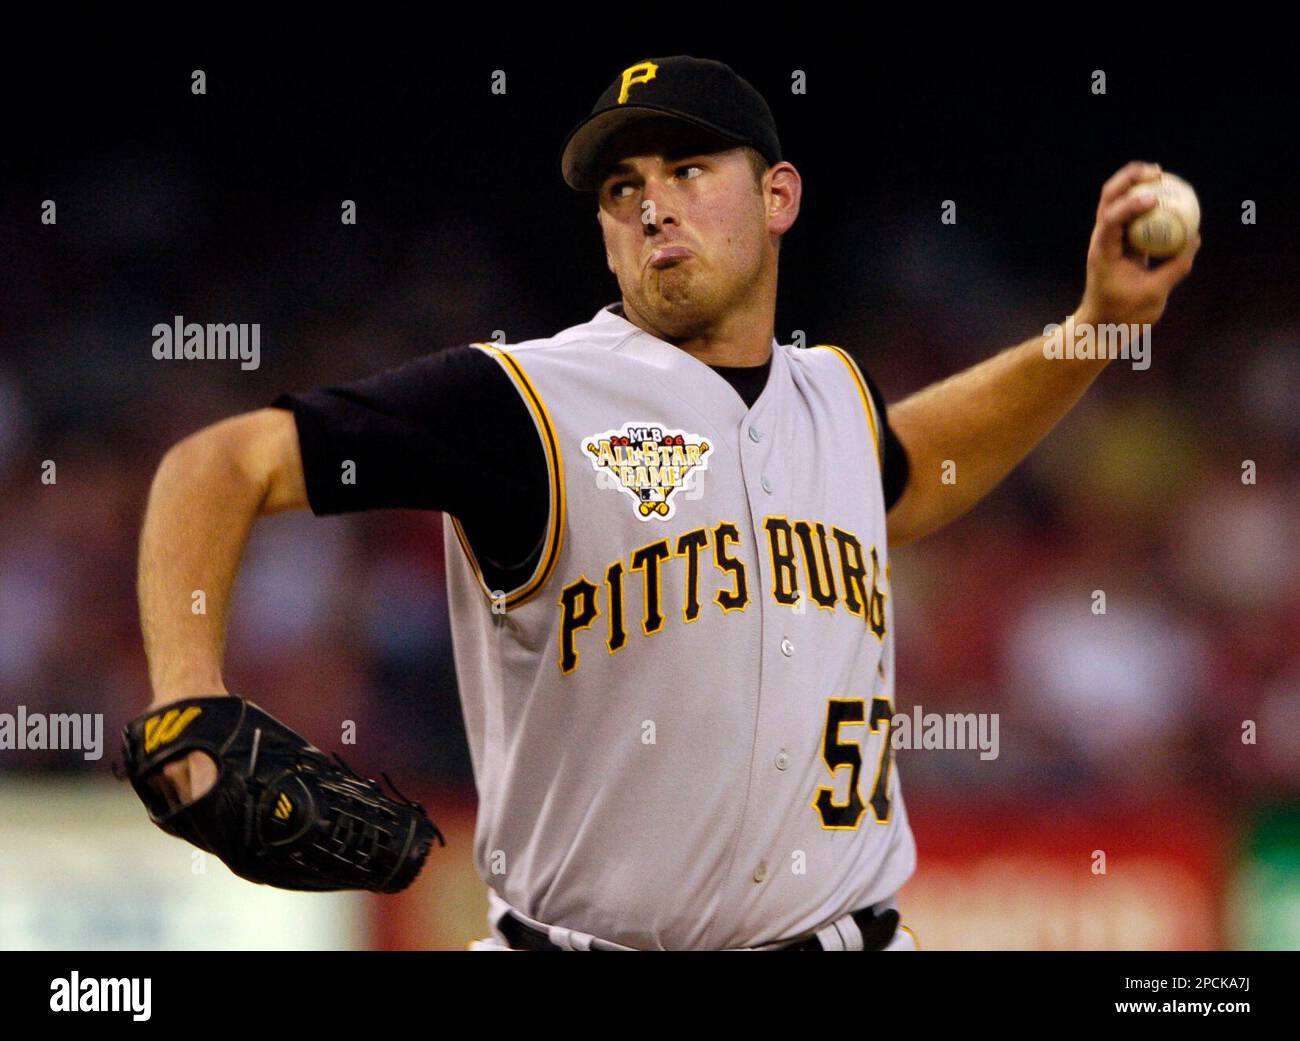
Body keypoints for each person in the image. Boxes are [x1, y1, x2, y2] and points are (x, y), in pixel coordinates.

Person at [135, 55, 1198, 950]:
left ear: (777, 197)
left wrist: (1095, 327)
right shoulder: (526, 400)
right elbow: (218, 466)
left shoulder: (827, 391)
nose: (652, 203)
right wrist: (188, 692)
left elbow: (907, 475)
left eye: (688, 168)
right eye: (621, 188)